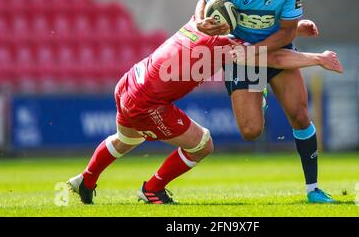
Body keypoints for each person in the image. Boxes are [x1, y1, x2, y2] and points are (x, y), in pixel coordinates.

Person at [67, 15, 343, 205]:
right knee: (202, 145)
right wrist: (317, 58)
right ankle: (152, 189)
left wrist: (296, 29)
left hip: (130, 81)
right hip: (147, 103)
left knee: (127, 138)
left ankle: (86, 180)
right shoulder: (229, 46)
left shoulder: (196, 22)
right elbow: (276, 57)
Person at [195, 0, 338, 203]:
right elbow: (204, 1)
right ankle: (257, 93)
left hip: (276, 50)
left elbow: (286, 33)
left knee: (299, 115)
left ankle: (313, 189)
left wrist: (257, 52)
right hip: (243, 58)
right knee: (250, 132)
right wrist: (202, 21)